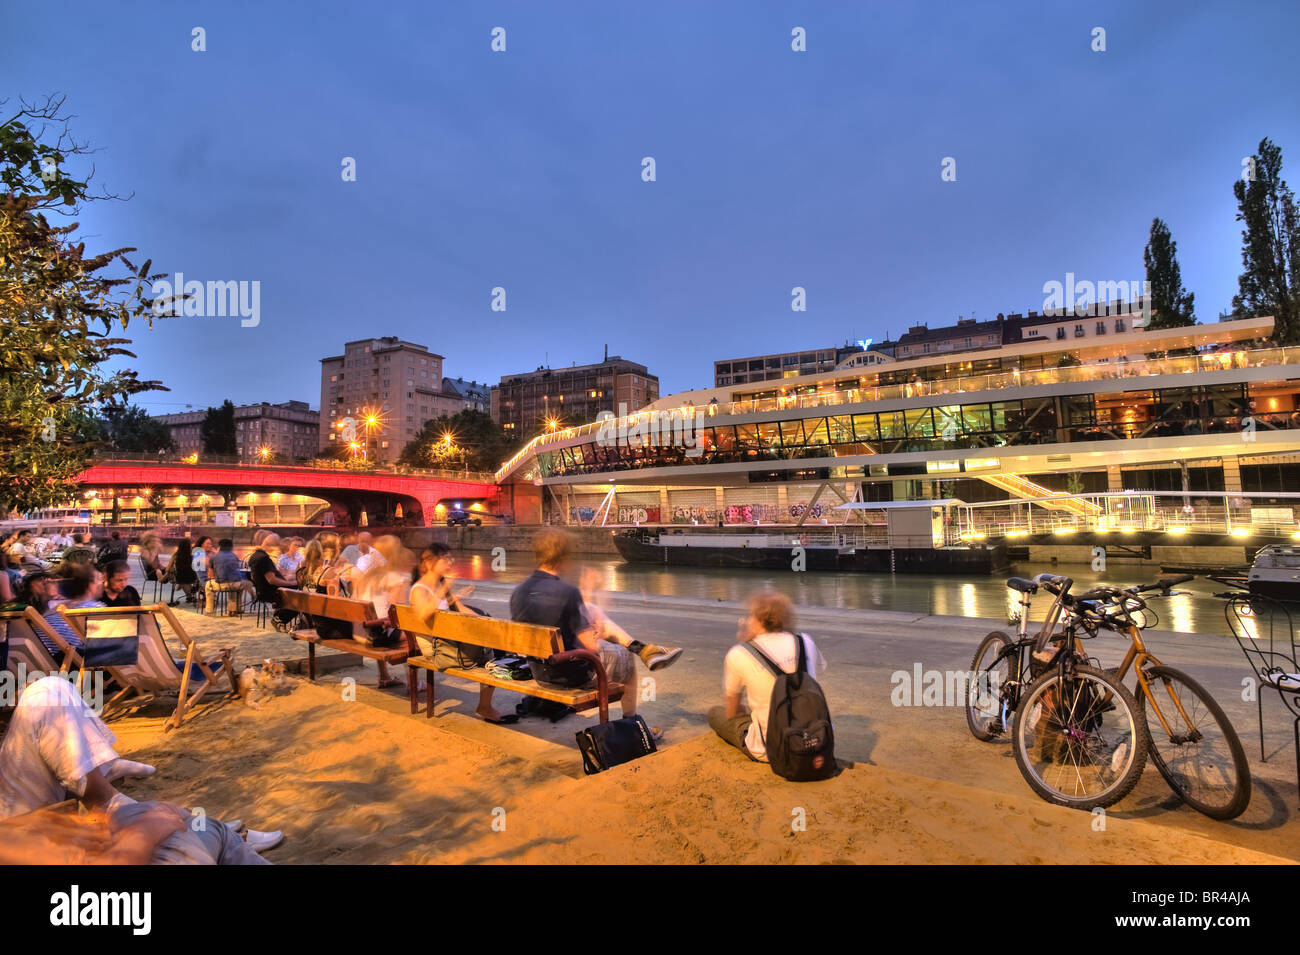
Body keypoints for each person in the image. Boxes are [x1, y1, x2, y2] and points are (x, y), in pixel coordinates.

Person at [0, 676, 280, 863]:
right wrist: (147, 829)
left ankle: (99, 778)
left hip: (36, 826)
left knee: (47, 692)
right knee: (209, 829)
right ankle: (103, 785)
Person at [509, 529, 681, 722]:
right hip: (570, 676)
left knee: (592, 612)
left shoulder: (519, 591)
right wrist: (597, 631)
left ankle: (646, 651)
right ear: (562, 558)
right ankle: (631, 720)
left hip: (539, 672)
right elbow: (592, 647)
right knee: (624, 657)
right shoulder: (568, 592)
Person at [708, 591, 827, 762]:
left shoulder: (740, 653)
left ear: (759, 620)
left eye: (749, 616)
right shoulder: (805, 641)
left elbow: (731, 711)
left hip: (771, 751)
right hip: (817, 742)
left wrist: (747, 640)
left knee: (715, 714)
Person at [410, 543, 514, 724]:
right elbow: (423, 615)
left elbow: (460, 609)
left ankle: (485, 705)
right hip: (436, 650)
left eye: (451, 558)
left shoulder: (439, 585)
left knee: (493, 645)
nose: (450, 562)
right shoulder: (420, 589)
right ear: (428, 563)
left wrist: (488, 623)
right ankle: (485, 706)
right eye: (445, 558)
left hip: (448, 644)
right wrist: (443, 590)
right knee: (493, 657)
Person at [246, 534, 297, 630]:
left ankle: (280, 615)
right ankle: (279, 618)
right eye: (278, 547)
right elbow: (272, 580)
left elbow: (253, 577)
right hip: (271, 592)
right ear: (273, 547)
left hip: (261, 591)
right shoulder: (264, 559)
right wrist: (290, 583)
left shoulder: (254, 556)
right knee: (299, 597)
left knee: (295, 590)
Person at [204, 540, 254, 614]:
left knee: (208, 585)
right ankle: (235, 609)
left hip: (221, 585)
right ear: (231, 547)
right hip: (235, 585)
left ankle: (209, 609)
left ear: (220, 547)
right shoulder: (234, 556)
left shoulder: (214, 557)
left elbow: (211, 575)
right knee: (236, 587)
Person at [163, 536, 198, 604]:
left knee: (182, 581)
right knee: (185, 581)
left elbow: (168, 568)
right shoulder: (193, 555)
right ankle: (190, 596)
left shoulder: (176, 555)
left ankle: (189, 596)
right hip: (192, 578)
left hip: (179, 578)